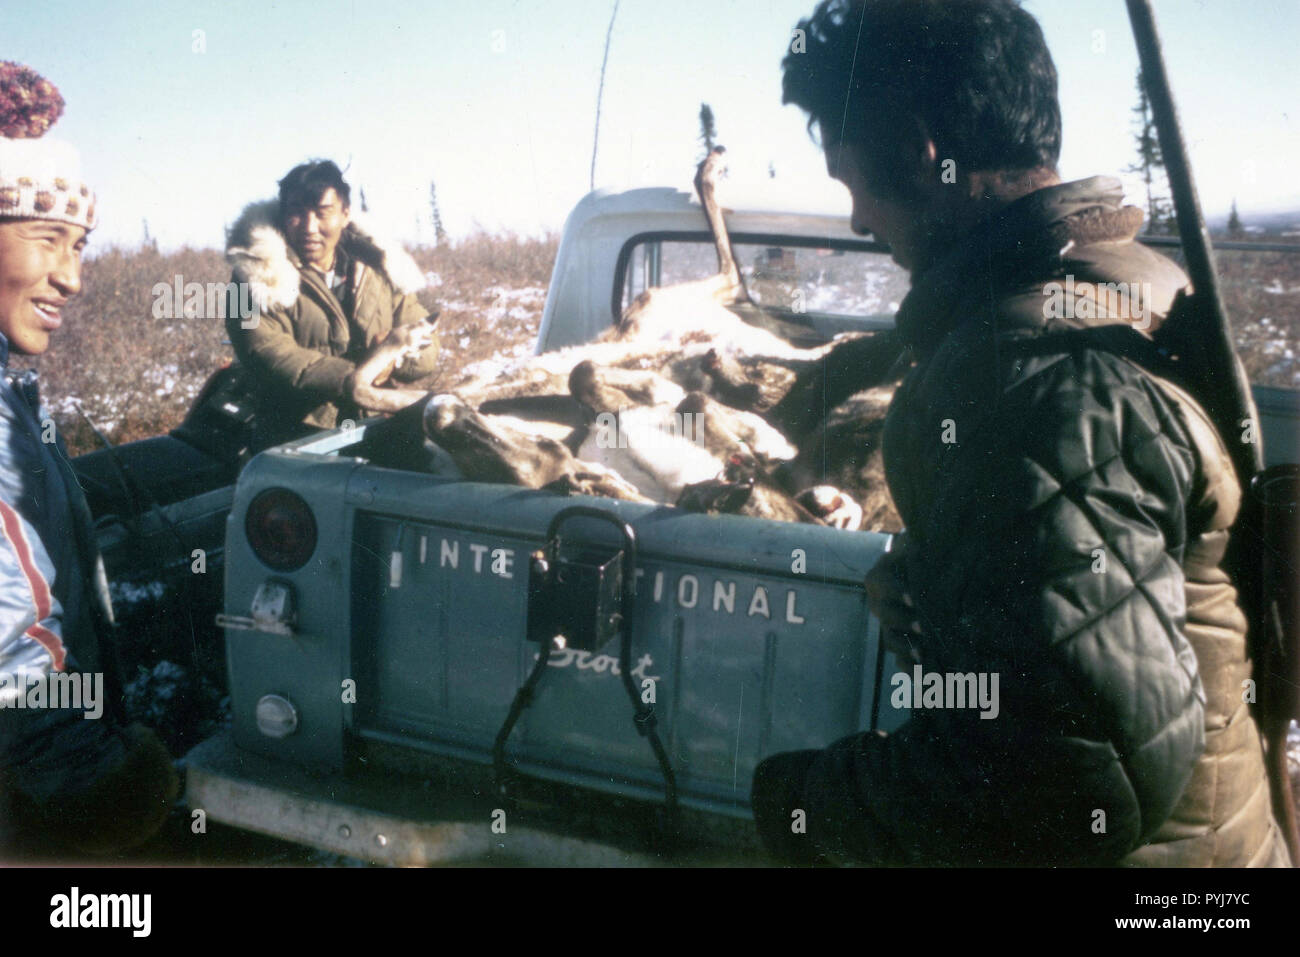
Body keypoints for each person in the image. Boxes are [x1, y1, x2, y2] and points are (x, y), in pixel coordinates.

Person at [751, 0, 1291, 867]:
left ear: (921, 150)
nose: (856, 219)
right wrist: (949, 577)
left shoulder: (1023, 376)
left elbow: (1071, 780)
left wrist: (813, 801)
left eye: (850, 181)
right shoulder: (1126, 284)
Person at [0, 62, 177, 858]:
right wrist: (87, 778)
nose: (71, 277)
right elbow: (8, 632)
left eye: (78, 245)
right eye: (46, 238)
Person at [225, 160, 439, 450]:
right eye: (296, 213)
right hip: (299, 437)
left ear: (345, 214)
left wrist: (395, 356)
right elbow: (264, 353)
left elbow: (424, 340)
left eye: (322, 213)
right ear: (282, 214)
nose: (310, 227)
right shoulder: (251, 276)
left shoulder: (381, 264)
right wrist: (358, 375)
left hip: (379, 424)